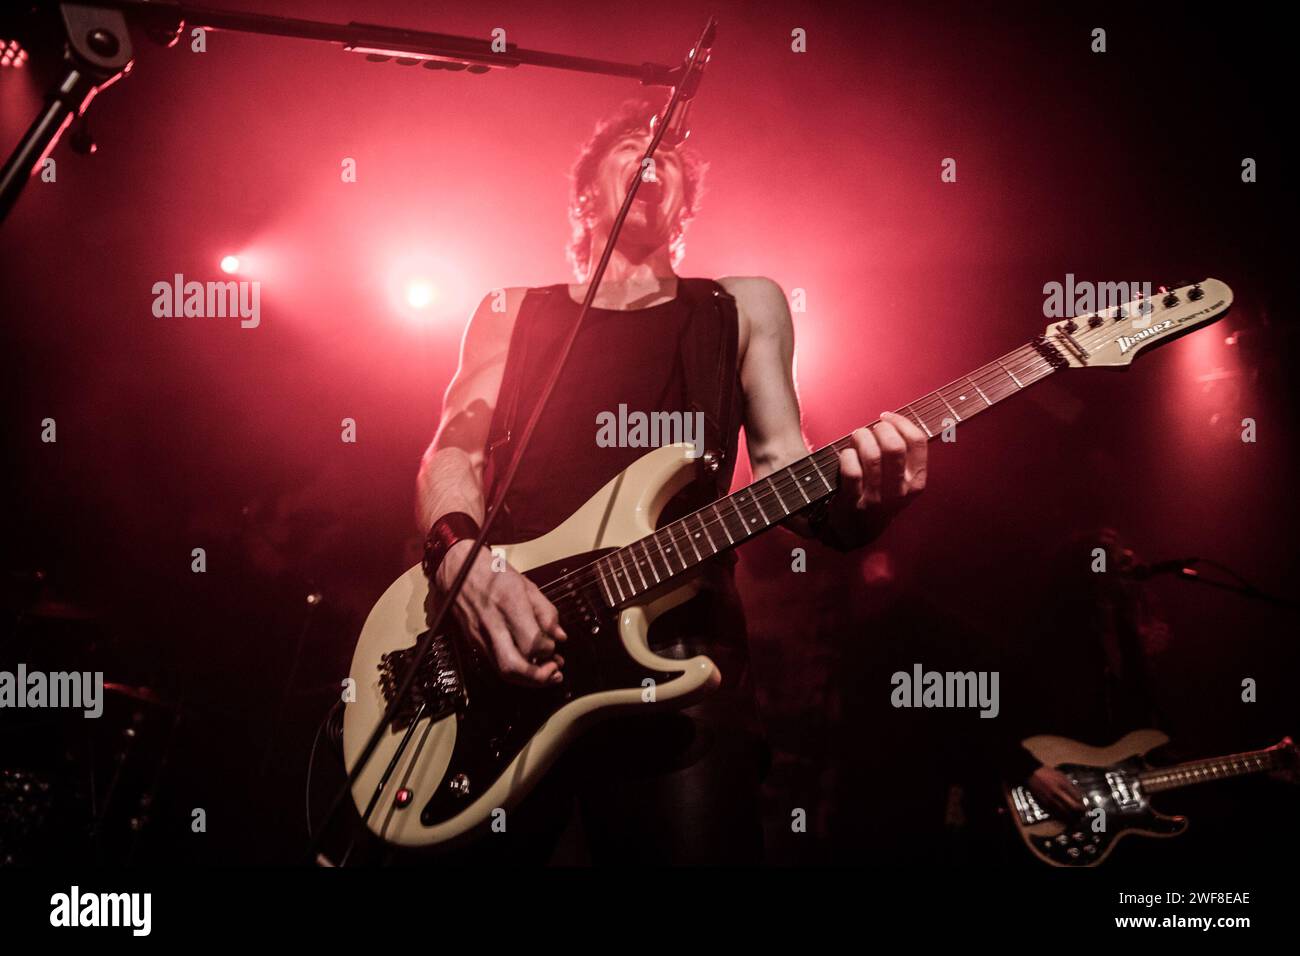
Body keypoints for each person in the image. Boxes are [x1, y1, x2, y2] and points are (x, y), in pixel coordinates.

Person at [414, 99, 928, 863]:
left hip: (682, 663)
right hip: (509, 645)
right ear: (586, 193)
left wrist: (862, 509)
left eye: (677, 159)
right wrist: (462, 561)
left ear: (685, 206)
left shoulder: (741, 305)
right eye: (633, 144)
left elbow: (785, 462)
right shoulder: (509, 311)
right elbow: (452, 452)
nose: (659, 155)